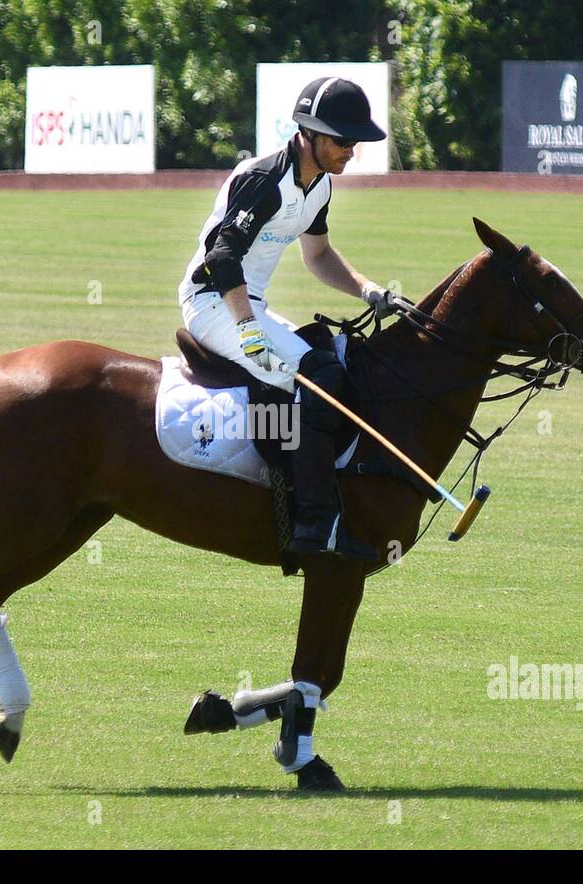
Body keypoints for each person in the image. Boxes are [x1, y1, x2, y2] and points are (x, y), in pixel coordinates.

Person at [178, 77, 394, 562]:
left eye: (355, 142)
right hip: (214, 301)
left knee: (326, 357)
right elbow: (221, 254)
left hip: (246, 303)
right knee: (320, 378)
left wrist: (365, 288)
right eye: (342, 141)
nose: (350, 152)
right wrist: (248, 328)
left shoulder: (318, 186)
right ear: (309, 134)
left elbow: (317, 254)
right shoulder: (263, 180)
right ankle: (315, 525)